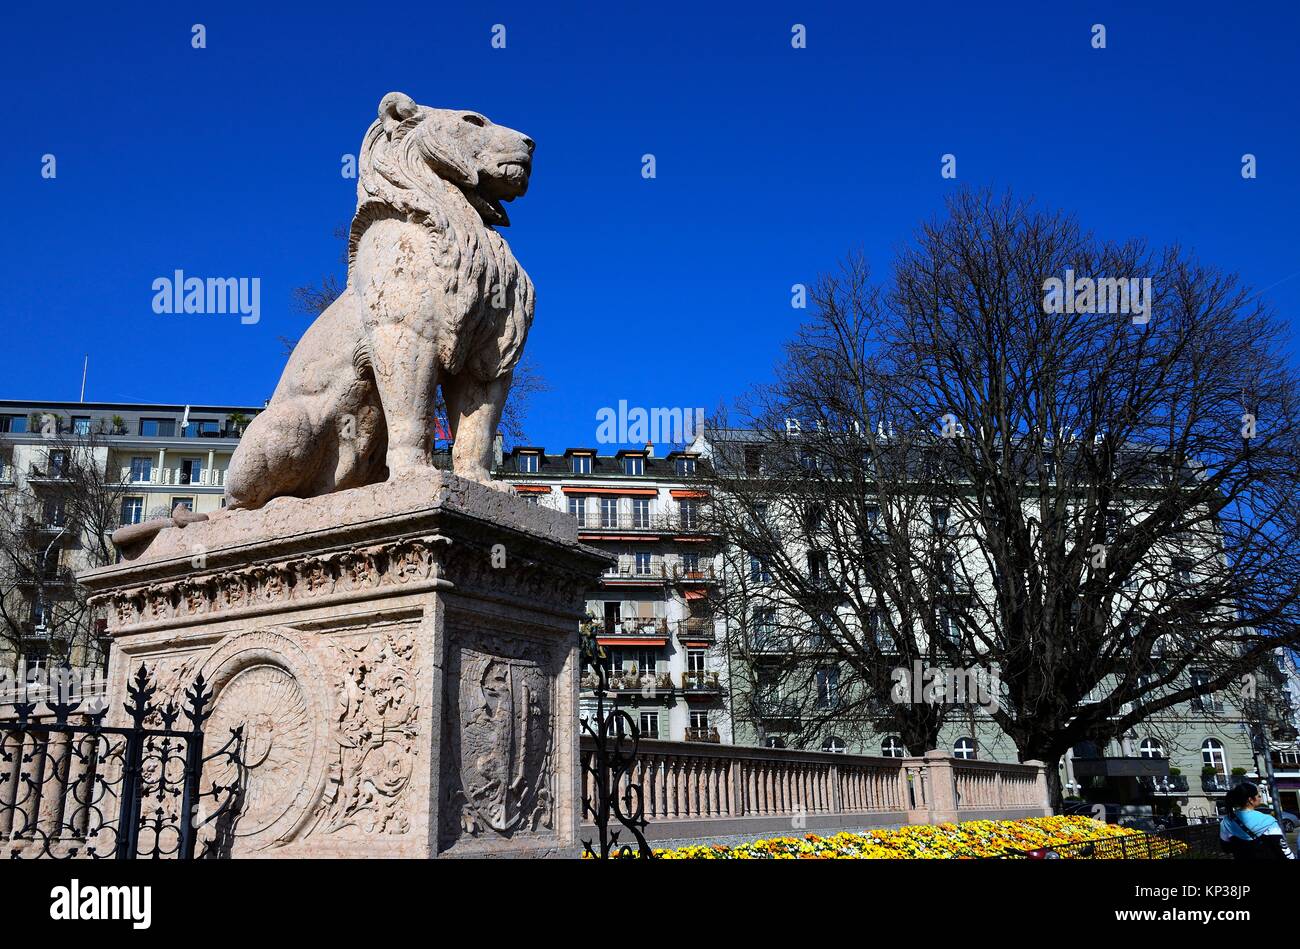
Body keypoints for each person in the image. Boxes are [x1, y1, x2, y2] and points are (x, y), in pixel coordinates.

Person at [1218, 782, 1295, 860]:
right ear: (1250, 800)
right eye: (1258, 796)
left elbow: (1226, 848)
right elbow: (1283, 848)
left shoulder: (1226, 822)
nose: (1260, 798)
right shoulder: (1267, 820)